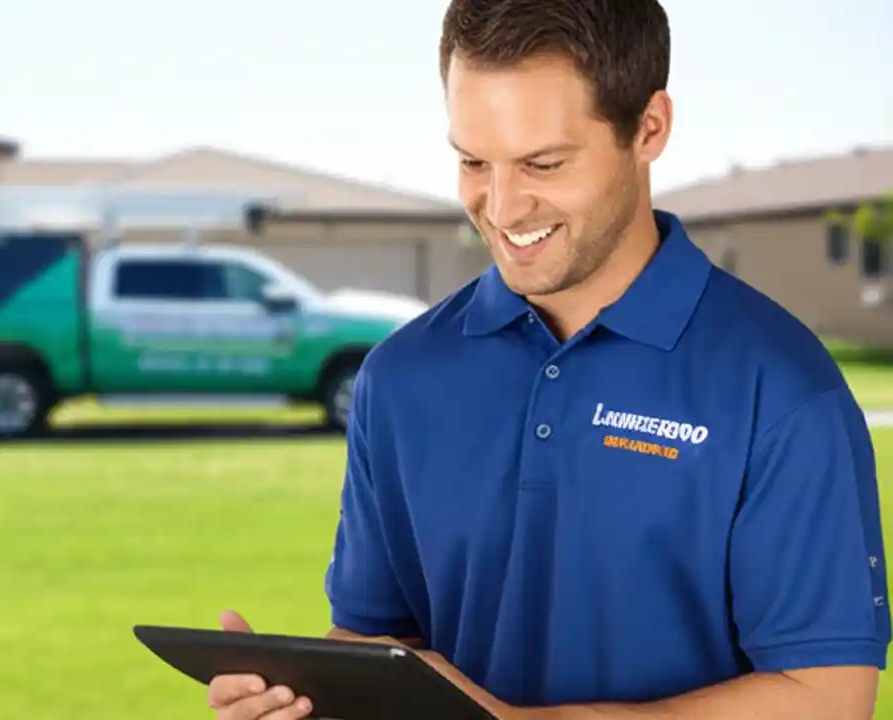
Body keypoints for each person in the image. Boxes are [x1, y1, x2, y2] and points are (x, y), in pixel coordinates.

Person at [206, 0, 892, 718]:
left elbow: (828, 697)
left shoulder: (780, 388)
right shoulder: (401, 378)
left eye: (543, 163)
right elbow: (379, 641)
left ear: (649, 128)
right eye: (473, 161)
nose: (501, 207)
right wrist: (310, 697)